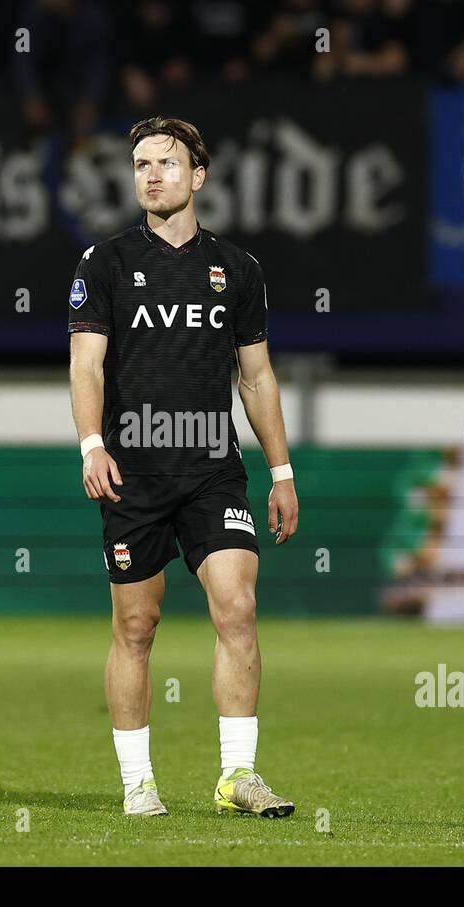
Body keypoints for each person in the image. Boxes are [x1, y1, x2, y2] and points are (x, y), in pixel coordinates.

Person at [67, 116, 299, 818]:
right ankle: (139, 782)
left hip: (212, 470)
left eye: (165, 163)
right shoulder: (102, 264)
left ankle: (238, 777)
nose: (150, 175)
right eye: (140, 164)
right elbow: (87, 364)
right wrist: (91, 444)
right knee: (137, 627)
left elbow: (256, 379)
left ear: (198, 176)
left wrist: (282, 472)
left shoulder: (239, 270)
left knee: (238, 607)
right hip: (131, 471)